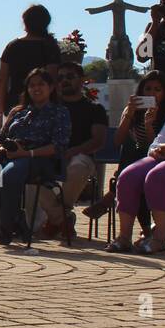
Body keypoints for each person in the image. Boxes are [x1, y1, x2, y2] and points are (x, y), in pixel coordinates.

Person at [0, 68, 70, 246]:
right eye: (32, 85)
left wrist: (26, 153)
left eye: (41, 84)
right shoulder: (17, 111)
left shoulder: (59, 112)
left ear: (51, 88)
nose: (36, 88)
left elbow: (59, 145)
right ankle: (15, 217)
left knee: (8, 175)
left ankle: (5, 229)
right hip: (9, 154)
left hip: (38, 158)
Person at [107, 66, 165, 255]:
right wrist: (157, 150)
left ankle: (160, 238)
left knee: (157, 175)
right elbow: (158, 141)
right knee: (128, 175)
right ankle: (124, 237)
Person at [84, 70, 165, 227]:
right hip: (135, 161)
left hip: (160, 160)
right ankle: (146, 228)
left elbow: (156, 148)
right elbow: (117, 141)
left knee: (135, 168)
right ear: (141, 91)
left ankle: (109, 198)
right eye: (148, 89)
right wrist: (129, 115)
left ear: (164, 93)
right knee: (130, 153)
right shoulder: (132, 110)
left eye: (157, 90)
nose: (152, 93)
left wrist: (148, 125)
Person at [34, 61, 107, 238]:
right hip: (52, 156)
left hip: (81, 158)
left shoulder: (94, 109)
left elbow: (98, 140)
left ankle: (55, 221)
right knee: (30, 171)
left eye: (70, 77)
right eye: (60, 78)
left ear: (82, 80)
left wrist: (73, 151)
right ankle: (63, 219)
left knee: (77, 167)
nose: (64, 81)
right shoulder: (49, 109)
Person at [0, 5, 62, 118]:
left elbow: (2, 80)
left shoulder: (12, 46)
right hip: (43, 107)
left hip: (14, 106)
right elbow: (53, 78)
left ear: (25, 23)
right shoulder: (50, 47)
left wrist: (1, 110)